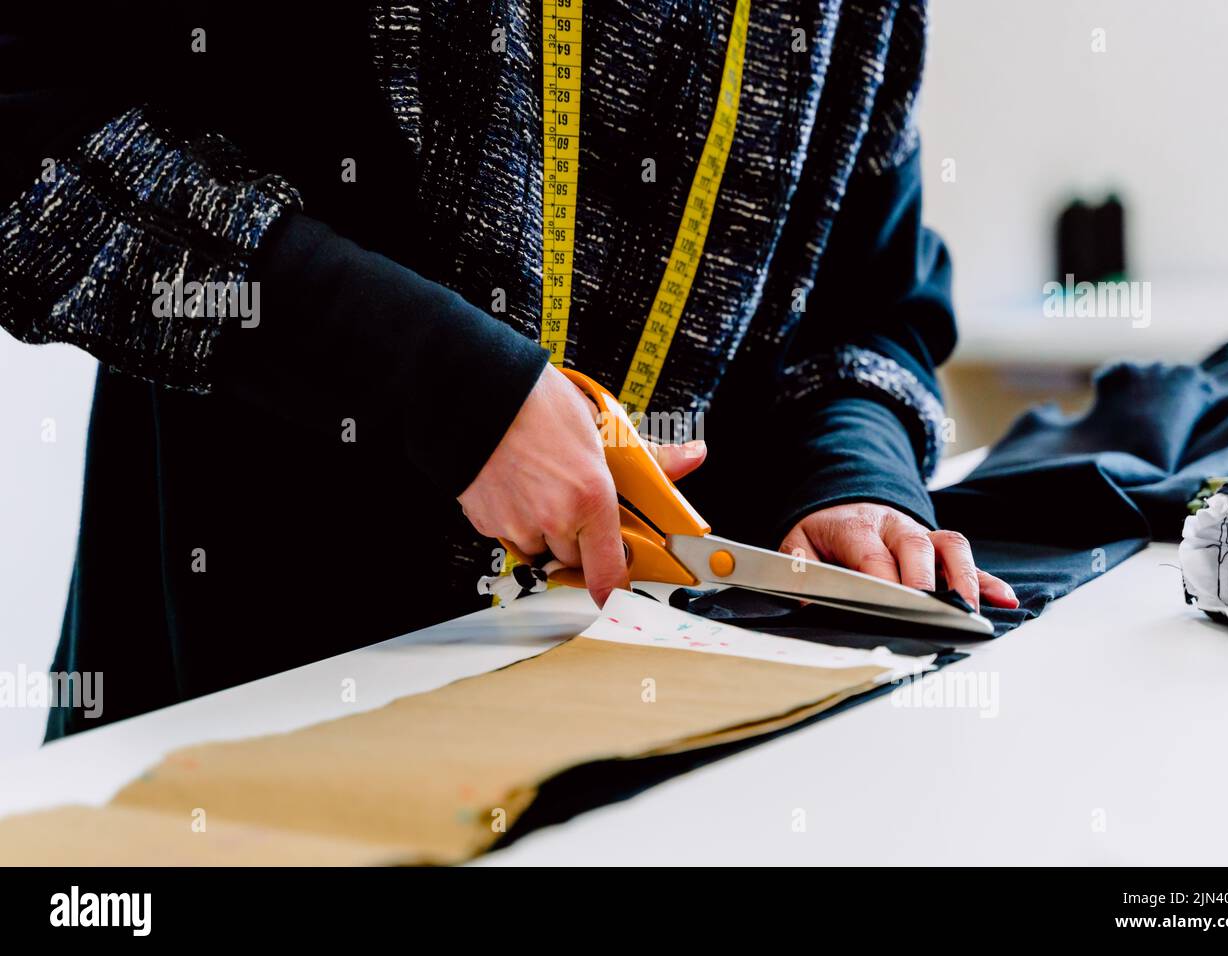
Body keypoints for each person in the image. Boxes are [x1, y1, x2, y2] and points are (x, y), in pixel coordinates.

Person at [0, 2, 1016, 739]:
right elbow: (29, 141)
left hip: (652, 743)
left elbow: (869, 305)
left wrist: (855, 473)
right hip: (239, 713)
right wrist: (441, 384)